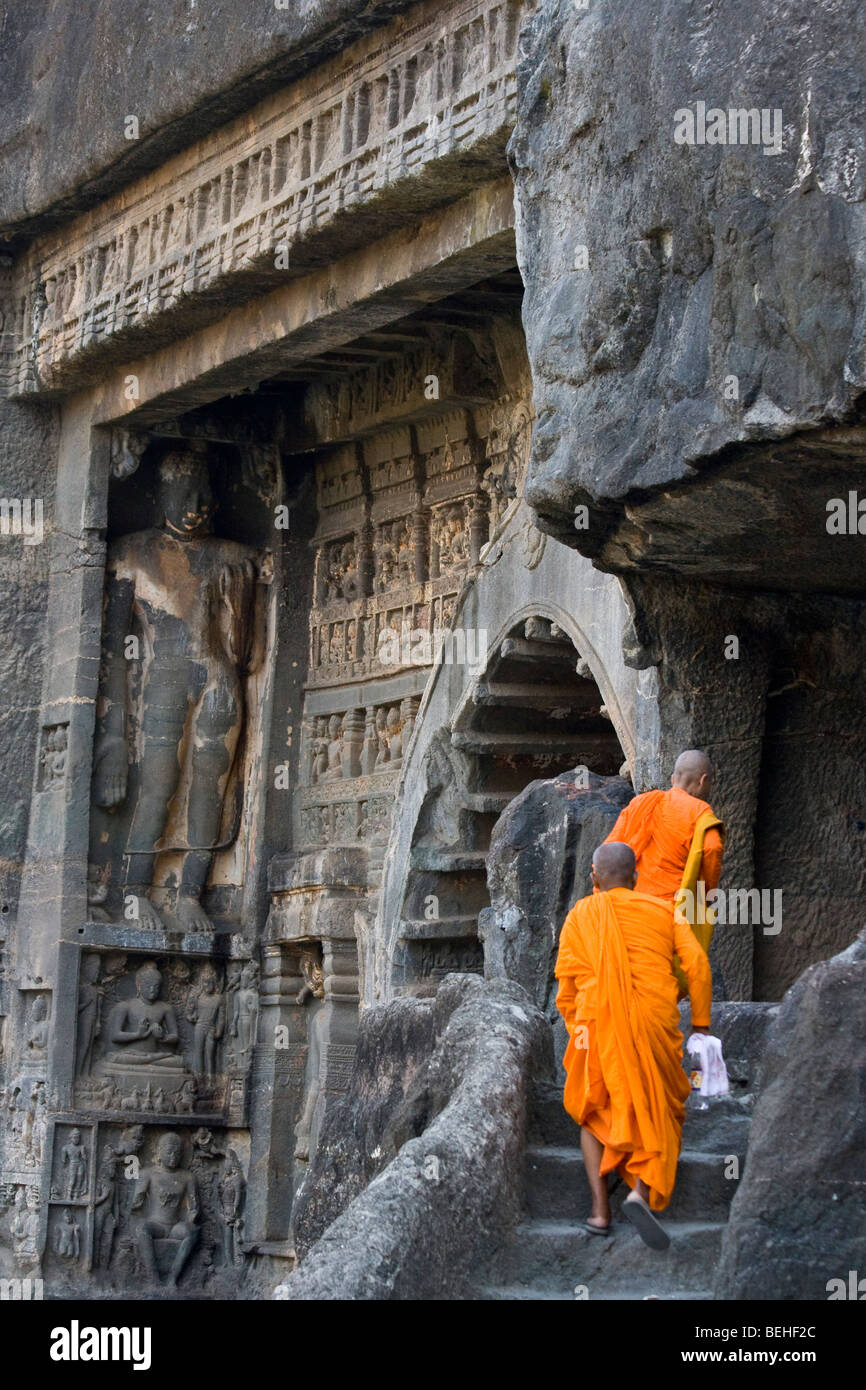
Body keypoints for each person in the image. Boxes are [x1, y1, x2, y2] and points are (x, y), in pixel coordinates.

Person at [554, 842, 712, 1250]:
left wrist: (580, 1027)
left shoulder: (580, 916)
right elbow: (696, 964)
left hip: (596, 1026)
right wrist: (701, 1024)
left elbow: (567, 989)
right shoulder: (664, 911)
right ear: (636, 877)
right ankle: (640, 1191)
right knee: (656, 1101)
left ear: (594, 877)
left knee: (592, 1110)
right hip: (654, 1024)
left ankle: (598, 1212)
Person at [604, 749, 724, 972]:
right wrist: (706, 895)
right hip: (667, 914)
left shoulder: (642, 803)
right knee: (661, 977)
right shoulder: (700, 813)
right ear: (704, 781)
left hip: (628, 908)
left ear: (673, 779)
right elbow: (712, 847)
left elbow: (609, 850)